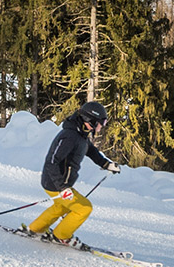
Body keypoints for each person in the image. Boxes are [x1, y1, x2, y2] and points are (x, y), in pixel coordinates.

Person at [25, 101, 119, 243]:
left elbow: (91, 151)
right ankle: (61, 236)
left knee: (60, 207)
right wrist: (62, 187)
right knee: (84, 208)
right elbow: (51, 162)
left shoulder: (81, 134)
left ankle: (35, 229)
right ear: (90, 120)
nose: (101, 127)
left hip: (60, 183)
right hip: (55, 183)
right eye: (100, 123)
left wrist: (107, 164)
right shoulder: (70, 136)